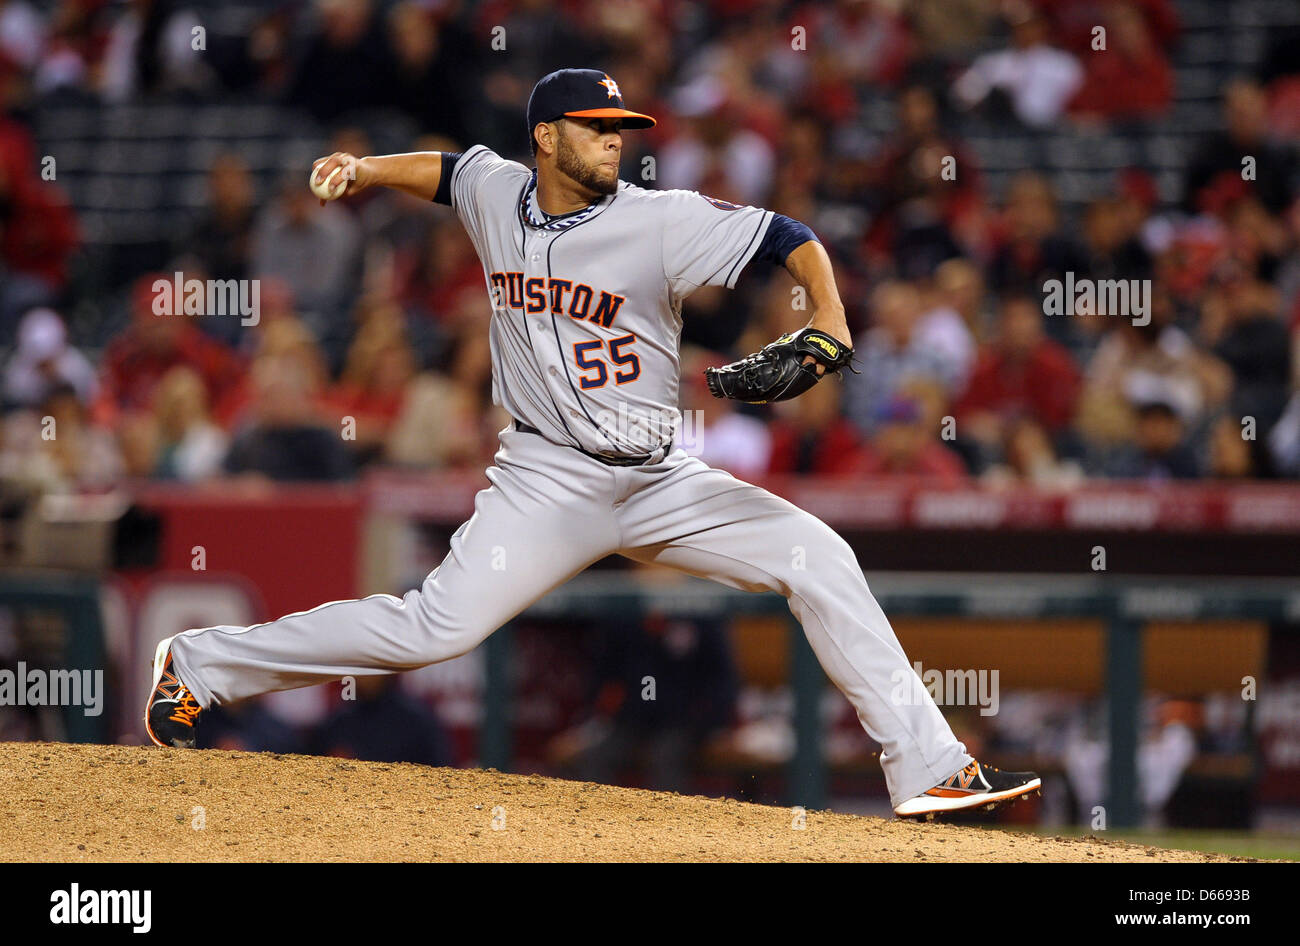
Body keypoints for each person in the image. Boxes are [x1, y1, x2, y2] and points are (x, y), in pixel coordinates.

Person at [145, 68, 1039, 819]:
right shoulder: (499, 189)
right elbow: (450, 172)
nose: (617, 140)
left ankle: (927, 768)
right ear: (546, 137)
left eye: (623, 128)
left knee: (822, 556)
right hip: (546, 481)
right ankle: (197, 666)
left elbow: (788, 236)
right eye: (596, 127)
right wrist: (367, 169)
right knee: (430, 630)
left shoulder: (659, 218)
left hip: (660, 476)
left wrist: (831, 315)